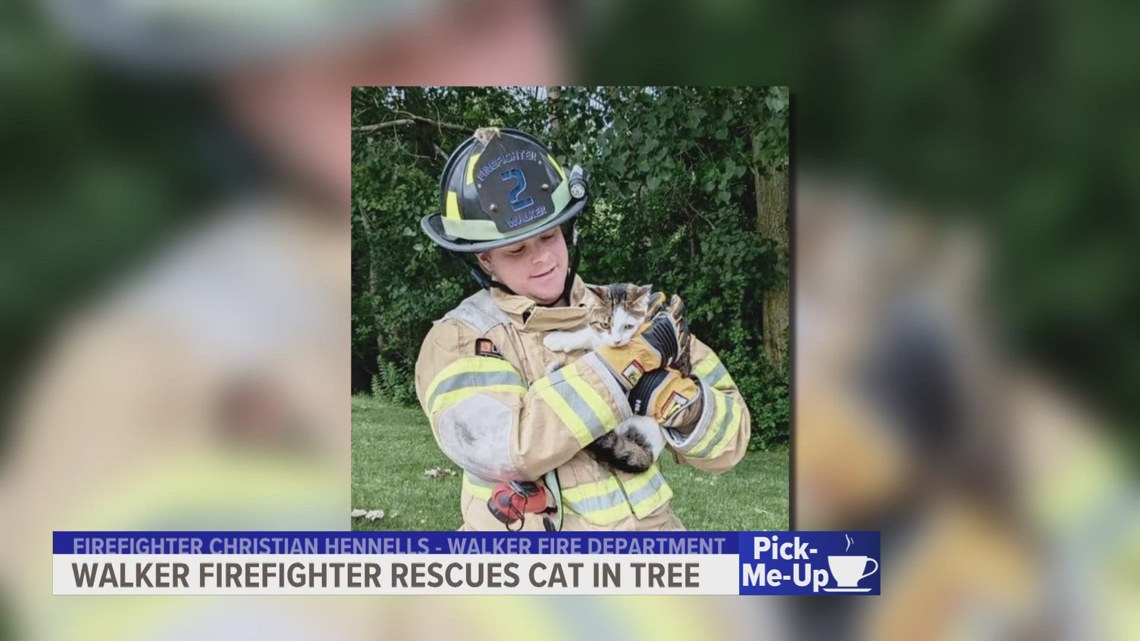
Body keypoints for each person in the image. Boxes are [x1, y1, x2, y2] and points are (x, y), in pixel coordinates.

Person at [415, 127, 751, 531]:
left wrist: (684, 407)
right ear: (485, 260)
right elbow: (505, 447)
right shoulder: (462, 337)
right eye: (517, 249)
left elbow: (731, 443)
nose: (543, 260)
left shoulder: (630, 309)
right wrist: (615, 373)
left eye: (549, 236)